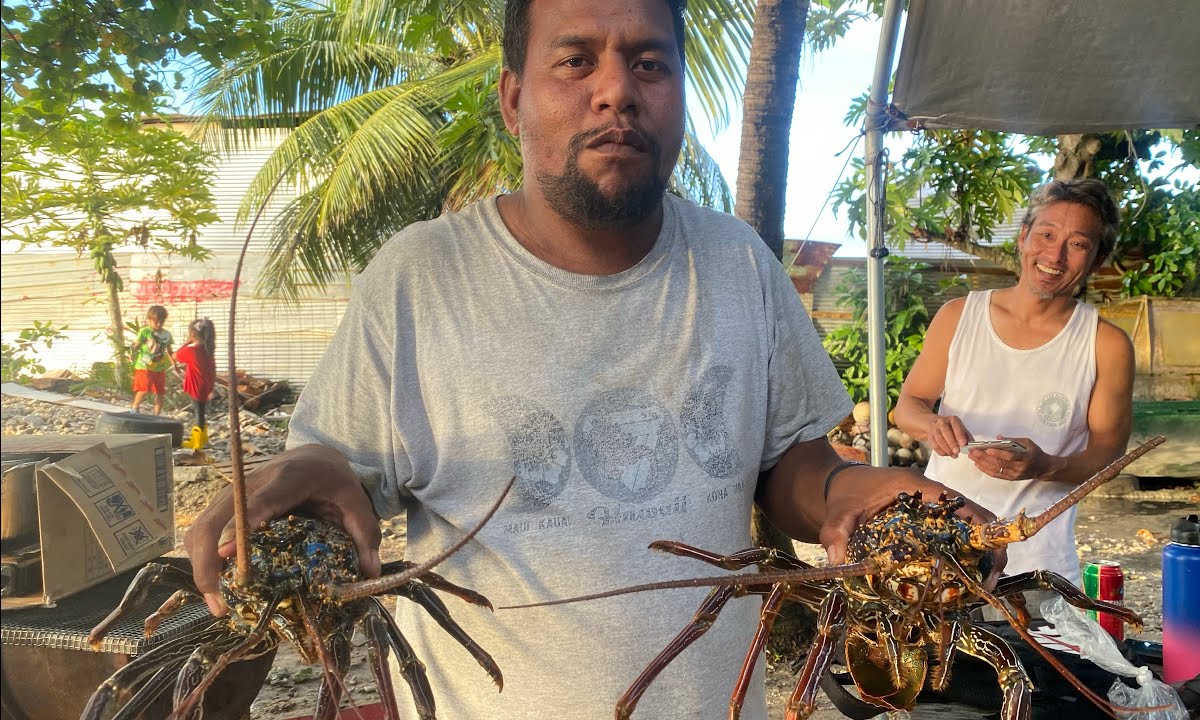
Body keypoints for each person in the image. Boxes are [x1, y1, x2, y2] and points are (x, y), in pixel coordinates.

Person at [184, 1, 1005, 717]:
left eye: (650, 63)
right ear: (513, 98)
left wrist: (854, 495)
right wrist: (310, 476)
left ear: (679, 95)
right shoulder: (419, 278)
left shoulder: (738, 262)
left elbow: (791, 467)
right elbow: (339, 473)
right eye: (575, 61)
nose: (617, 91)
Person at [893, 178, 1136, 602]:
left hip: (1038, 565)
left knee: (1038, 668)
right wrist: (933, 426)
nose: (1054, 255)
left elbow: (1107, 455)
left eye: (1077, 244)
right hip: (940, 551)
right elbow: (908, 407)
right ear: (1023, 238)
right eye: (1045, 234)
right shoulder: (958, 317)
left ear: (1097, 259)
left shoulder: (1106, 345)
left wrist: (1045, 466)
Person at [174, 317, 216, 449]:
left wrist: (187, 342)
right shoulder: (208, 349)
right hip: (207, 384)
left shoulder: (190, 350)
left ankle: (197, 442)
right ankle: (203, 438)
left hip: (195, 385)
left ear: (192, 334)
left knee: (198, 412)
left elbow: (176, 356)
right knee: (201, 411)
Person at [130, 304, 174, 414]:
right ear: (150, 320)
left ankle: (156, 414)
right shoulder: (145, 331)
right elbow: (137, 344)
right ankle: (134, 408)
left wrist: (175, 364)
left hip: (159, 366)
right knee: (144, 388)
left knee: (160, 392)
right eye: (156, 322)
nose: (159, 324)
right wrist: (133, 349)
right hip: (144, 365)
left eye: (161, 322)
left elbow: (169, 351)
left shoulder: (167, 334)